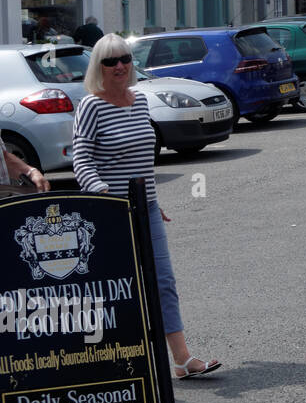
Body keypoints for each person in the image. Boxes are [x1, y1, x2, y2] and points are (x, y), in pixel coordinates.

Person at [74, 34, 220, 379]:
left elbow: (142, 160)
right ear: (99, 67)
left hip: (146, 208)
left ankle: (182, 360)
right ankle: (110, 364)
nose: (120, 66)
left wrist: (153, 198)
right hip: (109, 213)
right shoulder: (91, 106)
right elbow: (81, 160)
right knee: (116, 288)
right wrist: (104, 193)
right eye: (110, 62)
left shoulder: (139, 101)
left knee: (163, 282)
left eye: (124, 58)